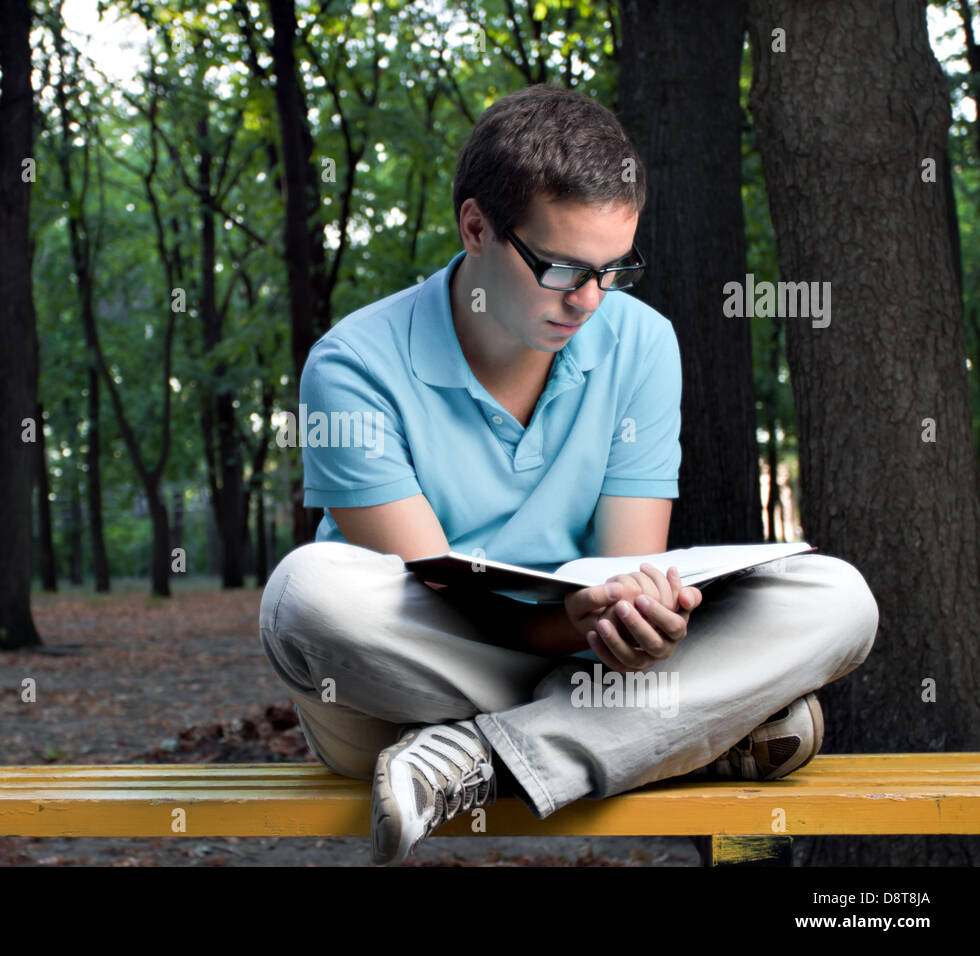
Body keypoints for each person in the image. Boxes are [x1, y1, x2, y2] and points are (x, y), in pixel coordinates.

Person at [258, 84, 879, 866]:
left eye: (614, 269)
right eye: (560, 267)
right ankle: (687, 732)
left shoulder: (642, 344)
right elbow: (445, 601)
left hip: (571, 677)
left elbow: (627, 571)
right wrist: (604, 645)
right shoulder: (352, 367)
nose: (589, 300)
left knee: (839, 598)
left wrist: (639, 626)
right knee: (306, 594)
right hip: (412, 676)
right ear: (476, 226)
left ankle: (479, 760)